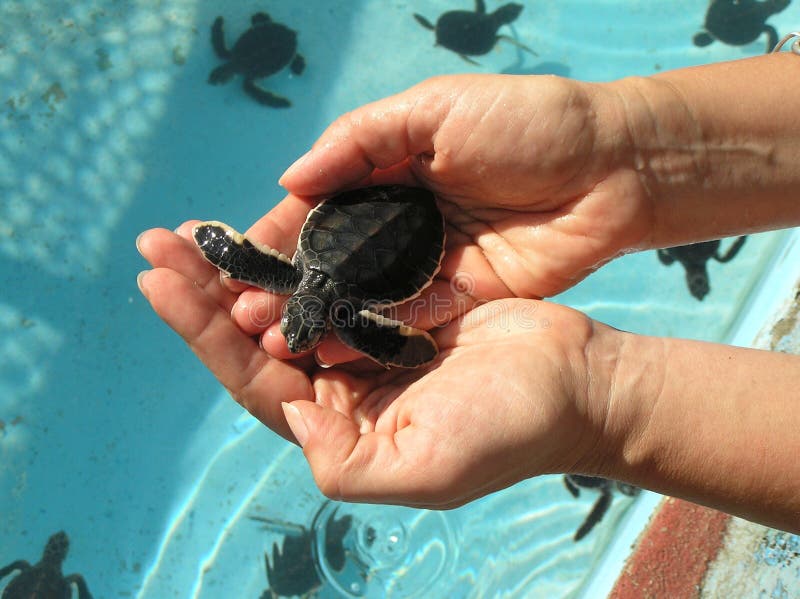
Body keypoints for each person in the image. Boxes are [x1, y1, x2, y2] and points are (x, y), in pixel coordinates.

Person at [137, 51, 800, 534]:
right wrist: (621, 146)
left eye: (305, 330)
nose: (303, 337)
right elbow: (264, 266)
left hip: (393, 229)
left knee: (268, 288)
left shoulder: (323, 299)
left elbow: (400, 341)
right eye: (306, 334)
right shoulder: (319, 296)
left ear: (307, 309)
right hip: (378, 228)